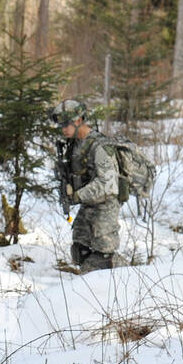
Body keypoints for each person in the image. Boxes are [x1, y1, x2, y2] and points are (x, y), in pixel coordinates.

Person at [49, 98, 120, 272]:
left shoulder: (100, 145)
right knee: (80, 250)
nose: (63, 129)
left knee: (103, 259)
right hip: (89, 204)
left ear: (79, 120)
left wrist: (77, 195)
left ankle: (131, 278)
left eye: (67, 124)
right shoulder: (75, 145)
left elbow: (108, 184)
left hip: (105, 206)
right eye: (61, 125)